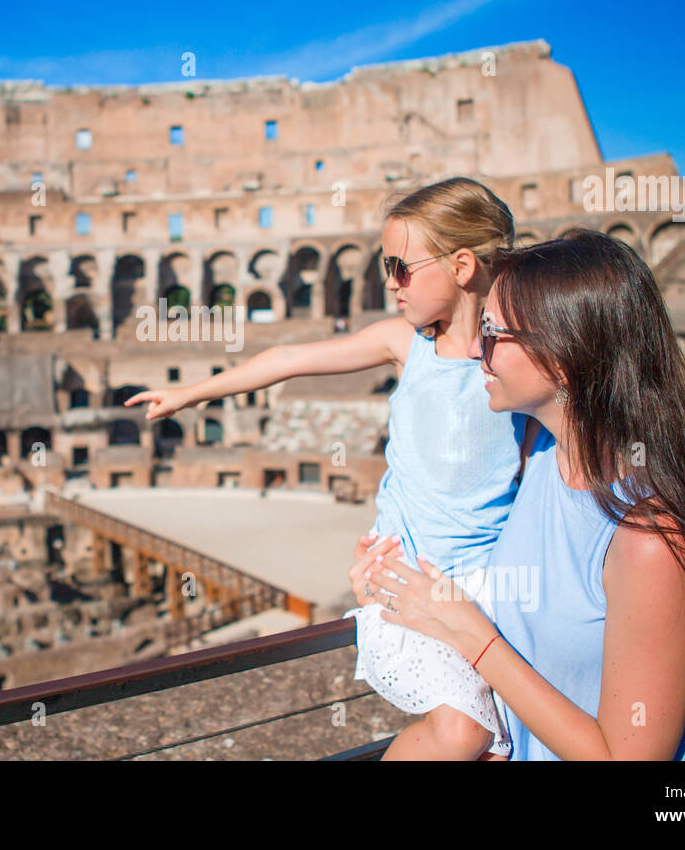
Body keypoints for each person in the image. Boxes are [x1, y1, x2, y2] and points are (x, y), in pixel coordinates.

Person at [126, 177, 530, 759]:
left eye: (400, 267)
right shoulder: (404, 344)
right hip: (408, 577)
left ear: (463, 265)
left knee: (498, 746)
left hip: (492, 582)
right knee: (465, 731)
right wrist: (191, 393)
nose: (388, 283)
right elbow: (291, 358)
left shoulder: (518, 359)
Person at [366, 229, 685, 759]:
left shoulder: (650, 540)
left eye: (492, 333)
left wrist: (472, 635)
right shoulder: (540, 455)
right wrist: (380, 575)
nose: (474, 349)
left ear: (560, 355)